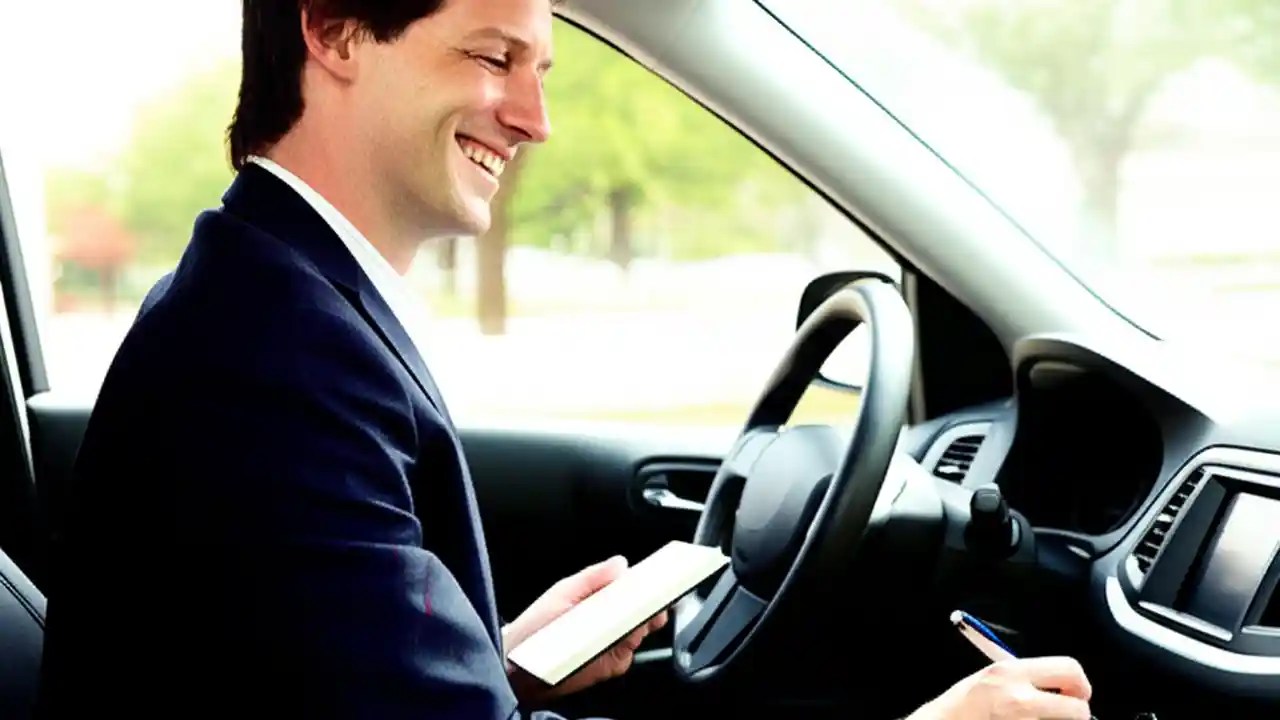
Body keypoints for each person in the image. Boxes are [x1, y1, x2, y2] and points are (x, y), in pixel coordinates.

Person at [34, 0, 1094, 718]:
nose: (534, 118)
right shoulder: (270, 361)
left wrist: (492, 673)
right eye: (492, 57)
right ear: (335, 31)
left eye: (538, 70)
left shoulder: (273, 296)